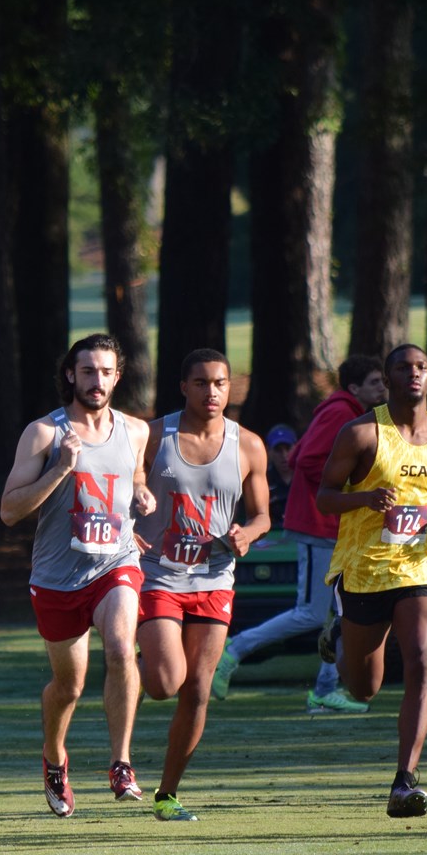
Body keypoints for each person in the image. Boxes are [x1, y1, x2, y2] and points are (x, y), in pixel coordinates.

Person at [0, 333, 156, 817]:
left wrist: (141, 492)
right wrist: (61, 469)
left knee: (121, 648)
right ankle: (54, 757)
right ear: (71, 374)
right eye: (88, 371)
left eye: (106, 372)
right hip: (57, 576)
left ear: (118, 377)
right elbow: (9, 510)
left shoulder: (135, 431)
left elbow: (134, 476)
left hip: (116, 563)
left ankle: (121, 763)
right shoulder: (44, 434)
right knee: (69, 685)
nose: (97, 381)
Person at [317, 343, 427, 817]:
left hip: (423, 567)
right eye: (403, 367)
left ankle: (405, 780)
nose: (413, 373)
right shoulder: (361, 433)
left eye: (421, 367)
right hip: (365, 569)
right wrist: (364, 499)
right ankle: (339, 638)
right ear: (387, 378)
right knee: (363, 687)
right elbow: (324, 497)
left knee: (421, 658)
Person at [134, 349, 269, 820]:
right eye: (201, 383)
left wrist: (247, 534)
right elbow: (120, 489)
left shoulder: (248, 445)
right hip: (158, 573)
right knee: (163, 683)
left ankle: (167, 795)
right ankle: (132, 658)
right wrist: (128, 525)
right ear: (183, 387)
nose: (212, 392)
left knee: (198, 690)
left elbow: (262, 516)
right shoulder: (154, 436)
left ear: (229, 387)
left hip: (214, 577)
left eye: (220, 383)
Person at [211, 356, 388, 710]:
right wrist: (354, 482)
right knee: (311, 613)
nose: (383, 388)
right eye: (375, 382)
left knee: (341, 615)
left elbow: (300, 458)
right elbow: (305, 460)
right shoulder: (341, 412)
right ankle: (234, 650)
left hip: (334, 527)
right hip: (317, 526)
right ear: (354, 388)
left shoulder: (348, 412)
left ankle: (324, 692)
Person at [265, 425, 296, 521]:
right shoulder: (263, 481)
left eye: (288, 448)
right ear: (269, 452)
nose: (284, 455)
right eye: (278, 450)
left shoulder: (307, 477)